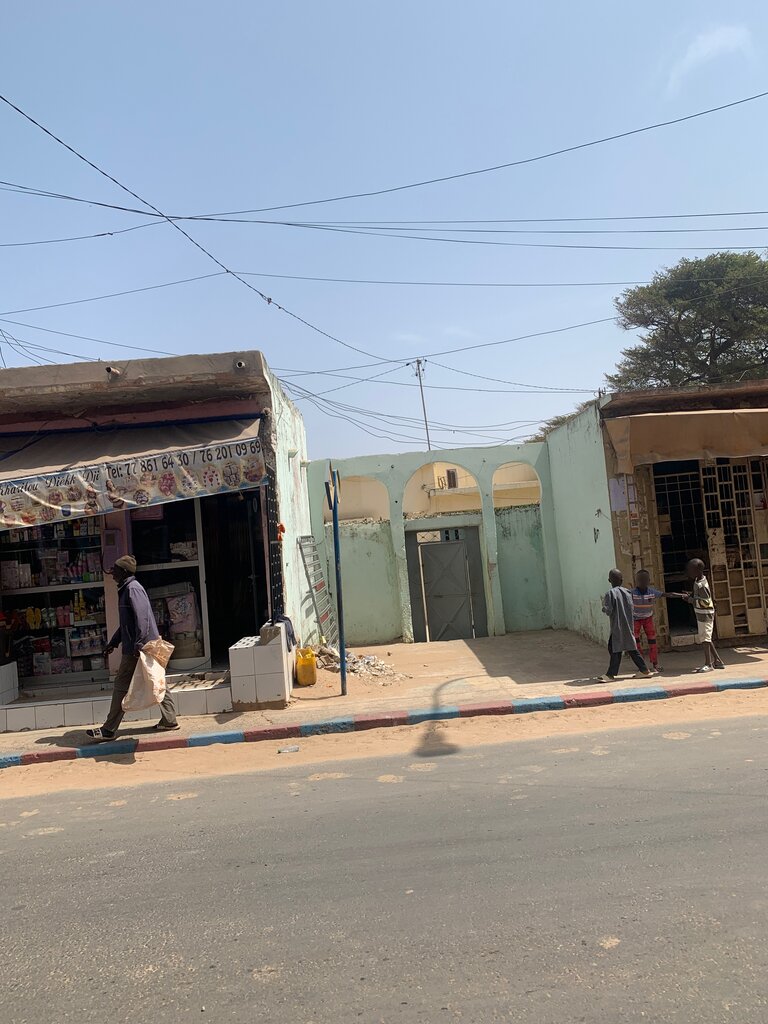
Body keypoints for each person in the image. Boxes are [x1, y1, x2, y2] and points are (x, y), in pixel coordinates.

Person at [86, 555, 178, 741]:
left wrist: (138, 643)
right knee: (156, 680)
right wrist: (114, 642)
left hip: (140, 646)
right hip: (141, 644)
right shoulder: (127, 589)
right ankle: (169, 720)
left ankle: (109, 729)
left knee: (121, 684)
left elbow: (142, 618)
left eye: (116, 570)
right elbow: (127, 623)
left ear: (125, 571)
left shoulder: (132, 589)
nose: (112, 574)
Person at [598, 568, 653, 682]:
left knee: (614, 649)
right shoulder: (628, 592)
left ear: (609, 580)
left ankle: (610, 675)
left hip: (617, 627)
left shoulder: (610, 594)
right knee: (631, 648)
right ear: (622, 580)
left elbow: (608, 610)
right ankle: (644, 670)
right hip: (628, 625)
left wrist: (603, 606)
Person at [683, 558, 725, 673]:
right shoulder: (697, 580)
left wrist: (691, 600)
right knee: (705, 637)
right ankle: (718, 660)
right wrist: (690, 595)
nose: (688, 572)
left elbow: (706, 602)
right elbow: (697, 595)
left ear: (697, 571)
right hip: (701, 614)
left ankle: (708, 664)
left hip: (706, 614)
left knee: (705, 638)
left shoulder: (702, 585)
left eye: (690, 570)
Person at [631, 569, 671, 672]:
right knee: (636, 642)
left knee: (652, 641)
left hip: (648, 619)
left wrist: (679, 595)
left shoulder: (652, 592)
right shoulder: (632, 593)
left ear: (649, 581)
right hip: (635, 620)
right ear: (636, 581)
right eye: (640, 580)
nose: (642, 582)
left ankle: (655, 664)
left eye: (644, 580)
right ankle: (642, 664)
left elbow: (664, 594)